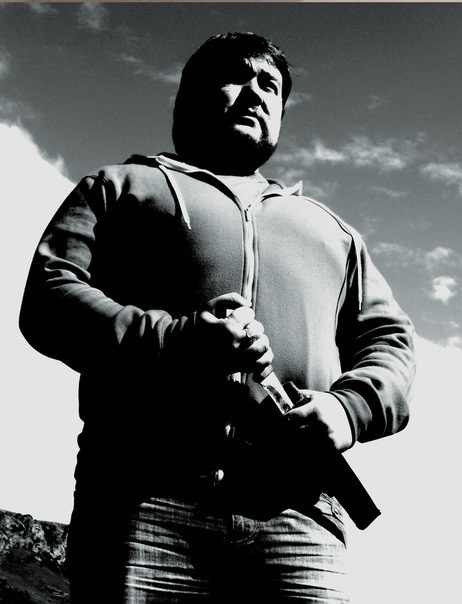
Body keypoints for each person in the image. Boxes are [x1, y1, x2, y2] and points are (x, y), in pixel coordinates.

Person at [20, 32, 415, 603]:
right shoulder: (119, 188)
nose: (255, 92)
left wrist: (349, 408)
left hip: (300, 519)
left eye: (270, 85)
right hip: (143, 500)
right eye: (236, 76)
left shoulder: (334, 233)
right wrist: (175, 340)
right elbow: (49, 296)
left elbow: (390, 341)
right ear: (187, 97)